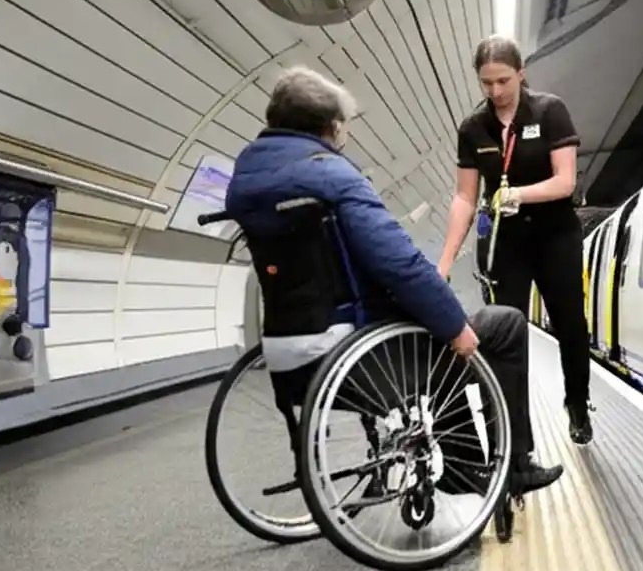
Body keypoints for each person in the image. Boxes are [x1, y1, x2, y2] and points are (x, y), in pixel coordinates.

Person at [224, 65, 563, 498]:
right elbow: (399, 264)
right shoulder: (332, 173)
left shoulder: (245, 182)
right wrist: (456, 329)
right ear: (329, 127)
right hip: (360, 355)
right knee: (501, 325)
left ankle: (463, 466)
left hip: (290, 357)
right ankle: (513, 466)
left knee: (434, 326)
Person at [435, 36, 594, 445]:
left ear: (521, 74)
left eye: (503, 80)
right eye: (486, 83)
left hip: (556, 237)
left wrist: (517, 194)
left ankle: (577, 400)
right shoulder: (473, 128)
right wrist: (444, 262)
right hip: (509, 244)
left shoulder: (549, 111)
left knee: (571, 325)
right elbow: (465, 197)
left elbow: (565, 181)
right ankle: (516, 441)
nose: (495, 91)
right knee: (506, 334)